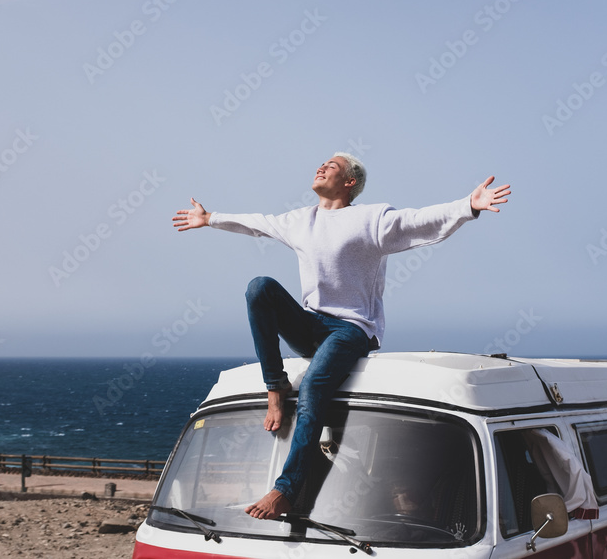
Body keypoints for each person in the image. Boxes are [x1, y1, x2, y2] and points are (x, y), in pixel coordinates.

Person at [172, 153, 510, 520]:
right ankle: (275, 387)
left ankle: (286, 489)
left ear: (350, 182)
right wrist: (210, 218)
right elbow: (257, 223)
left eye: (330, 166)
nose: (320, 168)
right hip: (311, 324)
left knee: (314, 384)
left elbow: (418, 221)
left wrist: (468, 206)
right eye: (321, 165)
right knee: (260, 289)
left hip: (352, 328)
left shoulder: (371, 219)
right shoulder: (301, 220)